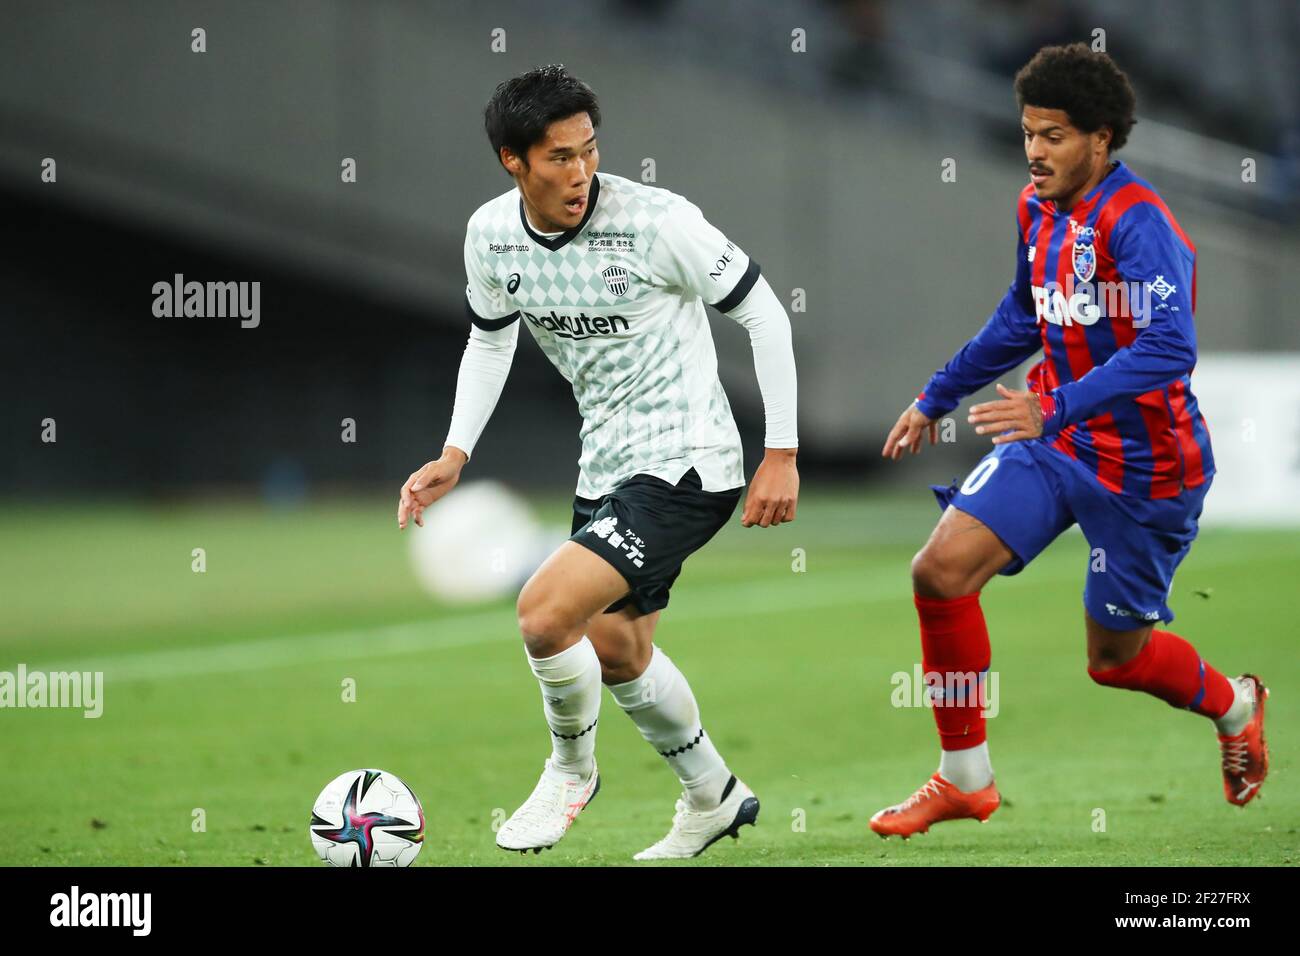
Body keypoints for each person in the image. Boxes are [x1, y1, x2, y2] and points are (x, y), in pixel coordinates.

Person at [398, 65, 799, 859]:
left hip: (688, 461)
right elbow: (490, 335)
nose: (580, 172)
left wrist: (779, 451)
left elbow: (762, 310)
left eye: (588, 151)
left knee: (545, 612)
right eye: (558, 157)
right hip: (606, 465)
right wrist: (455, 451)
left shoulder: (656, 223)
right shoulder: (490, 235)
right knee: (619, 651)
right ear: (513, 160)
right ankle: (712, 795)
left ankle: (569, 772)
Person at [873, 43, 1267, 838]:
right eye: (1028, 132)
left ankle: (1236, 703)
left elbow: (1169, 346)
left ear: (1102, 138)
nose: (1034, 151)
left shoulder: (1141, 224)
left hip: (1149, 468)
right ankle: (964, 778)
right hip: (1056, 445)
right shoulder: (1035, 208)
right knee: (941, 572)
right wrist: (937, 394)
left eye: (1053, 136)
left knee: (1113, 661)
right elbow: (1024, 314)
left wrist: (1052, 410)